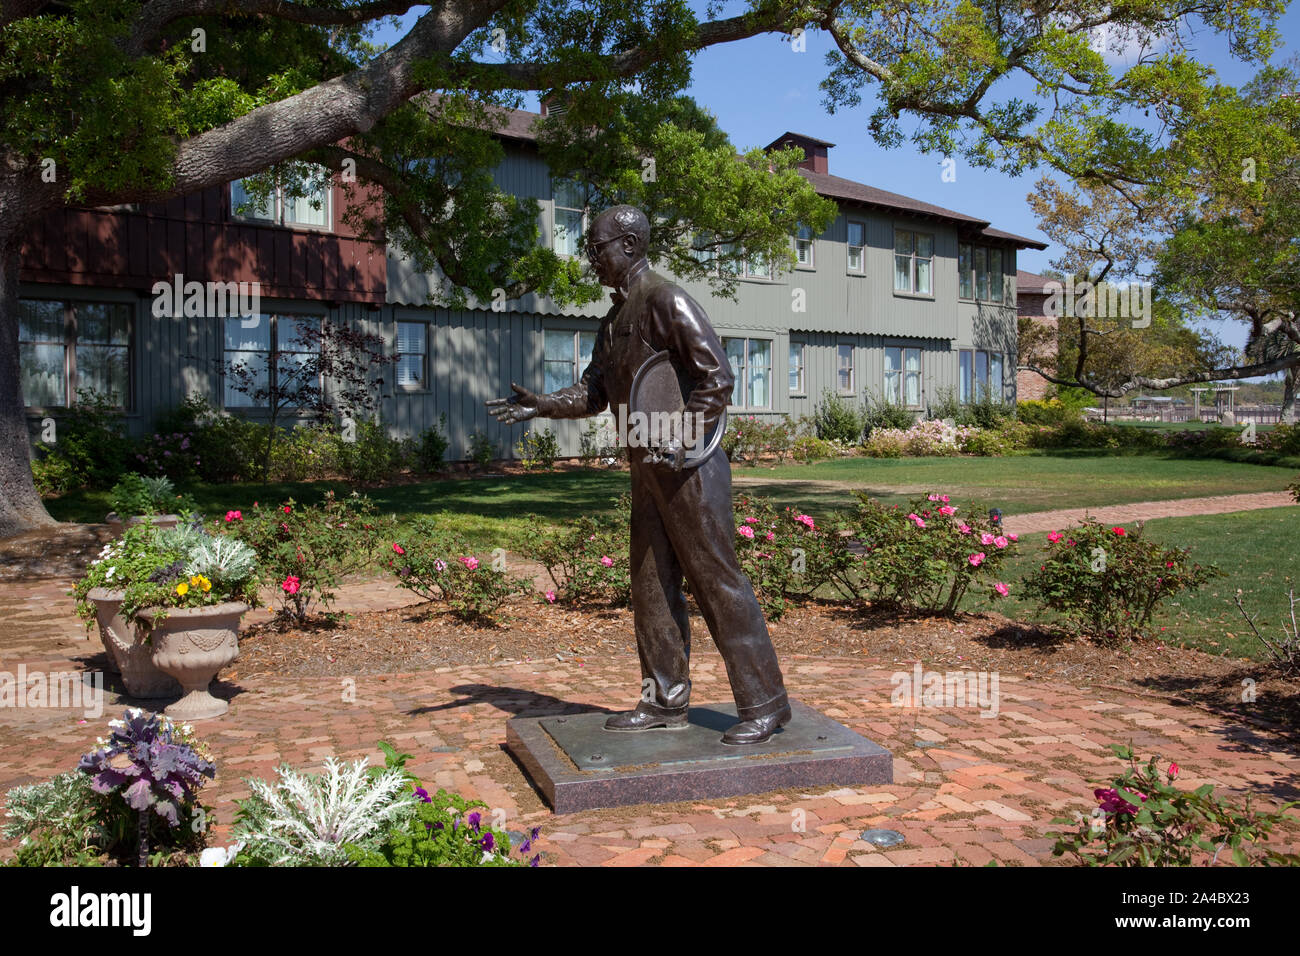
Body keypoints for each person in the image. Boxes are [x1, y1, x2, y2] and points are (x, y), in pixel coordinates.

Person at [487, 205, 791, 745]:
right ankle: (664, 700)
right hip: (646, 469)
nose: (591, 258)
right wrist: (543, 406)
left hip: (691, 469)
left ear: (628, 244)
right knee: (651, 586)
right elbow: (594, 392)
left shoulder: (665, 300)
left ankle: (766, 704)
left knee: (716, 581)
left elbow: (716, 378)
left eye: (597, 247)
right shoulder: (612, 321)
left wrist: (682, 435)